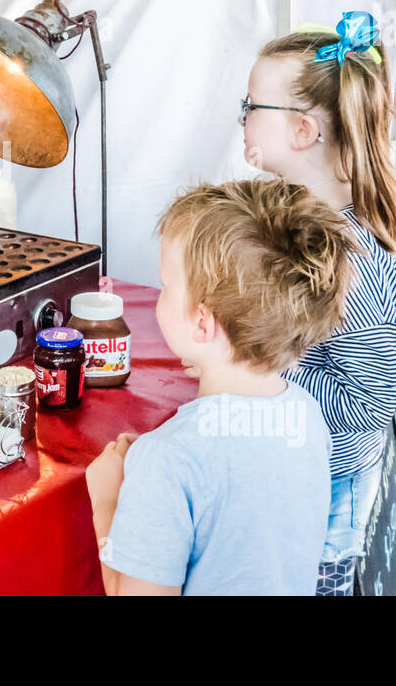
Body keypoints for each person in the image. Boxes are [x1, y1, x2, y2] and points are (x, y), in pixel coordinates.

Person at [86, 179, 350, 595]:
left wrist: (108, 501)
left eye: (166, 287)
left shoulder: (169, 458)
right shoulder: (307, 413)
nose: (159, 295)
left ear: (203, 323)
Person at [239, 11, 396, 595]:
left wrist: (257, 365)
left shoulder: (348, 258)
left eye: (252, 106)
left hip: (323, 497)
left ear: (304, 131)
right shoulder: (300, 221)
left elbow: (366, 409)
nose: (241, 118)